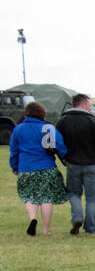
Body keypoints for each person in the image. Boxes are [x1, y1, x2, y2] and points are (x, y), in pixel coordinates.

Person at [9, 101, 68, 236]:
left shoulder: (18, 129)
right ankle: (46, 230)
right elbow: (60, 145)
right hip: (46, 167)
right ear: (42, 113)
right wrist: (65, 157)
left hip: (25, 167)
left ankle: (32, 218)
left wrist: (14, 166)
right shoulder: (48, 127)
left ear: (27, 113)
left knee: (29, 196)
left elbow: (14, 150)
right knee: (46, 198)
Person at [55, 93, 95, 235]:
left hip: (72, 164)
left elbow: (57, 142)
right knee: (92, 197)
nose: (90, 108)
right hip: (92, 164)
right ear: (83, 104)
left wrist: (63, 159)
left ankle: (77, 217)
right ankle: (90, 228)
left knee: (73, 193)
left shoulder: (63, 121)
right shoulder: (93, 121)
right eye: (89, 105)